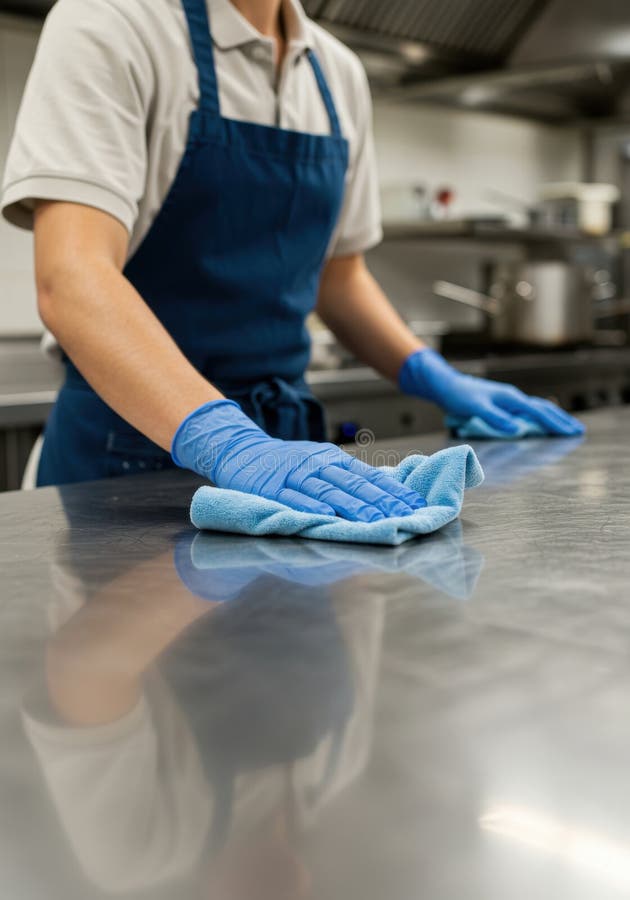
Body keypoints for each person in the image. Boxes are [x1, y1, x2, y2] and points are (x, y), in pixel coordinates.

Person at [1, 0, 583, 521]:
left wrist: (436, 378)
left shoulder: (338, 72)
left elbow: (340, 277)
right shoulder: (112, 22)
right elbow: (72, 276)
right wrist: (230, 443)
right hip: (124, 464)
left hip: (293, 463)